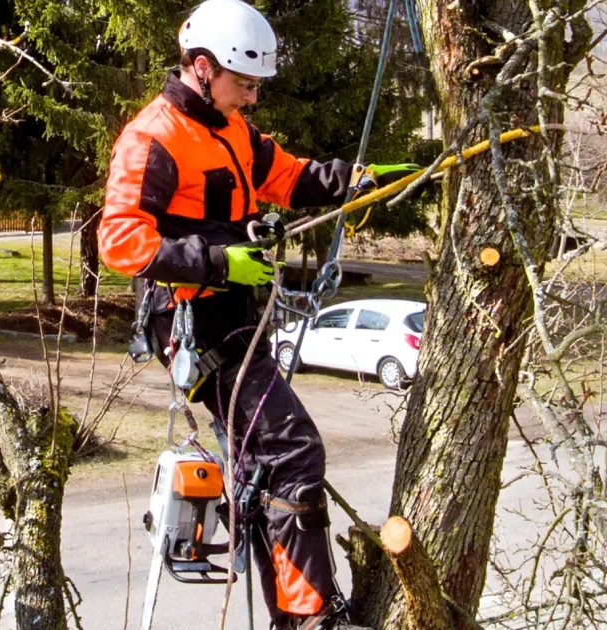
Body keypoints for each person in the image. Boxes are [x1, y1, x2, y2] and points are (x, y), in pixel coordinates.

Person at [98, 1, 417, 627]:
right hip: (193, 322)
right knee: (291, 451)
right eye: (242, 83)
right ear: (201, 67)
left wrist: (359, 180)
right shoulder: (154, 137)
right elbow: (119, 241)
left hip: (238, 319)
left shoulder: (232, 128)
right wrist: (219, 262)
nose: (251, 97)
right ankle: (309, 616)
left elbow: (290, 177)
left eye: (255, 86)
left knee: (264, 466)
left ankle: (292, 615)